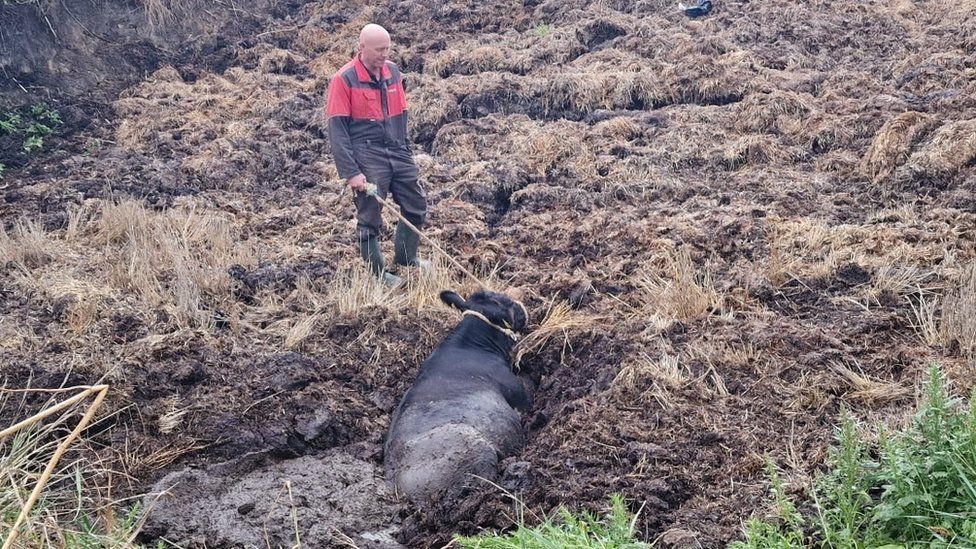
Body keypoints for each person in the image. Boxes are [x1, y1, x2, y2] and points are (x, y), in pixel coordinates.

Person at [326, 23, 429, 286]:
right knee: (370, 215)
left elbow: (401, 114)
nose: (384, 55)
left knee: (416, 204)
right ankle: (378, 274)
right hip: (367, 152)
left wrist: (405, 149)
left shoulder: (392, 72)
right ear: (362, 48)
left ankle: (407, 258)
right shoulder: (344, 79)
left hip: (396, 148)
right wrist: (351, 172)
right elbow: (337, 131)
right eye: (379, 50)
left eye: (387, 49)